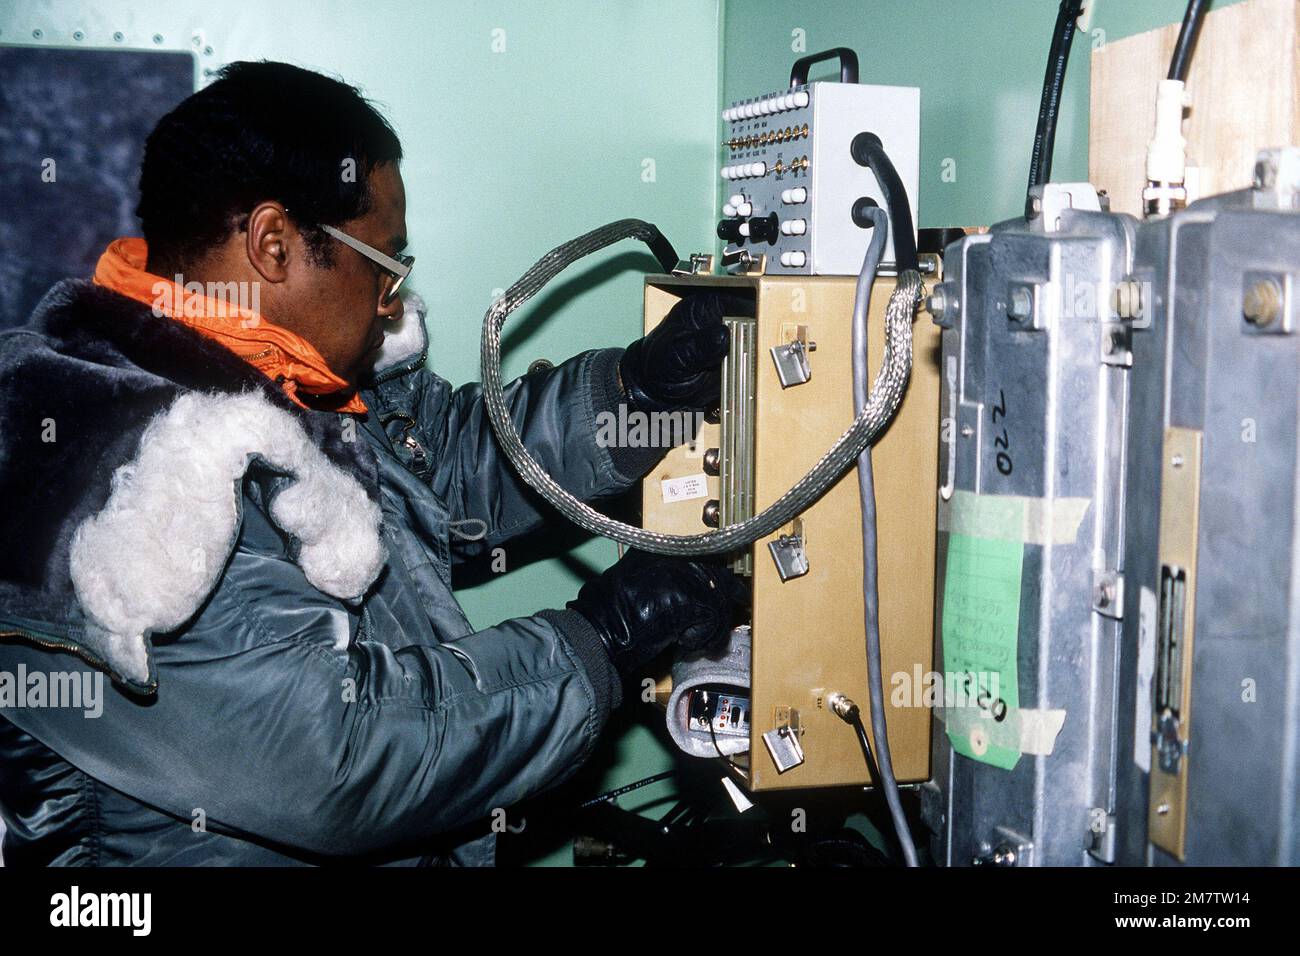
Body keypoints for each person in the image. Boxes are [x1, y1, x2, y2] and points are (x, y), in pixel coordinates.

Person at [0, 60, 746, 865]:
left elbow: (449, 468)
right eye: (386, 265)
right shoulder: (124, 482)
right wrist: (602, 638)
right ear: (273, 244)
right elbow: (337, 758)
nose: (393, 302)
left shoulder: (269, 373)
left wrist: (639, 392)